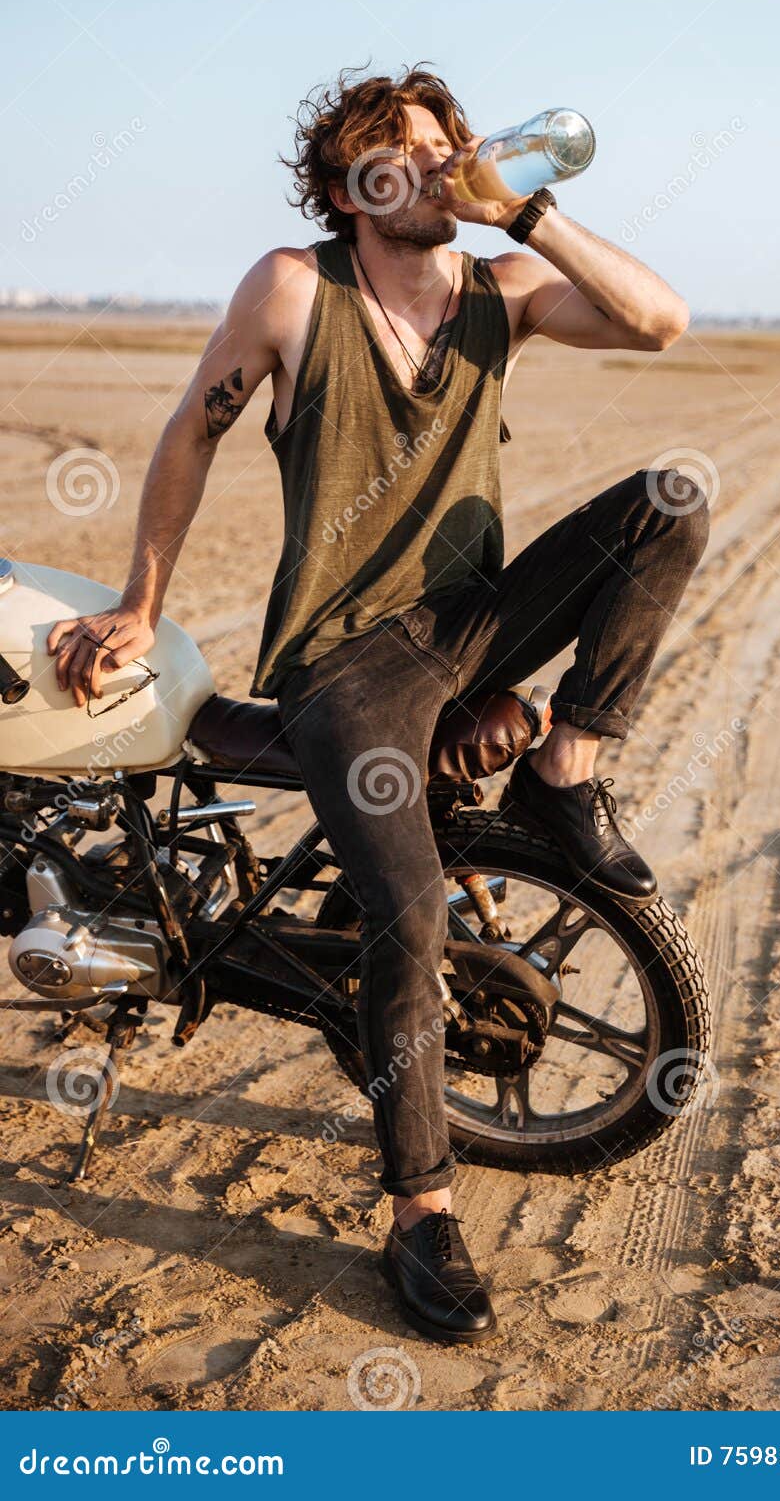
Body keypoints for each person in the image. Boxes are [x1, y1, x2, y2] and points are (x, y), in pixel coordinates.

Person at [47, 66, 709, 1346]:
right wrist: (138, 601)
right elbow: (193, 429)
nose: (440, 159)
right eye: (405, 147)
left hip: (471, 622)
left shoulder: (499, 290)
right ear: (352, 185)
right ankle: (420, 1211)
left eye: (447, 140)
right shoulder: (296, 289)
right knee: (405, 912)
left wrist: (526, 210)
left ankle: (564, 775)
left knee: (668, 500)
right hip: (346, 663)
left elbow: (660, 321)